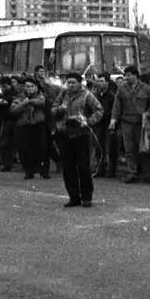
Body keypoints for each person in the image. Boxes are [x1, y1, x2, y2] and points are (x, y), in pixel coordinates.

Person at [52, 71, 103, 207]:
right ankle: (73, 197)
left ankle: (86, 198)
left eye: (73, 82)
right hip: (64, 134)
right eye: (68, 82)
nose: (70, 85)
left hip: (81, 135)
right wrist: (59, 110)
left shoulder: (87, 95)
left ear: (80, 83)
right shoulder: (63, 94)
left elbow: (99, 110)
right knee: (68, 168)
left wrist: (88, 121)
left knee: (83, 168)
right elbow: (53, 109)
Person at [110, 65, 150, 184]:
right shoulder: (122, 88)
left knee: (143, 147)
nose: (127, 77)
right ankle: (132, 172)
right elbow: (117, 105)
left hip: (141, 123)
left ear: (136, 75)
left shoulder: (146, 89)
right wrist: (113, 119)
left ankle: (146, 172)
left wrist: (148, 113)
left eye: (129, 75)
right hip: (126, 122)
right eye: (126, 75)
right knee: (129, 149)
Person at [11, 78, 49, 179]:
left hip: (38, 125)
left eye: (32, 86)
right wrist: (24, 103)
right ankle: (29, 171)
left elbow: (41, 102)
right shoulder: (19, 97)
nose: (30, 89)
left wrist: (30, 101)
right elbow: (13, 109)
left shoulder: (41, 96)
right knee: (25, 150)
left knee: (42, 149)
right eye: (28, 86)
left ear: (36, 87)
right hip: (24, 125)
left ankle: (44, 171)